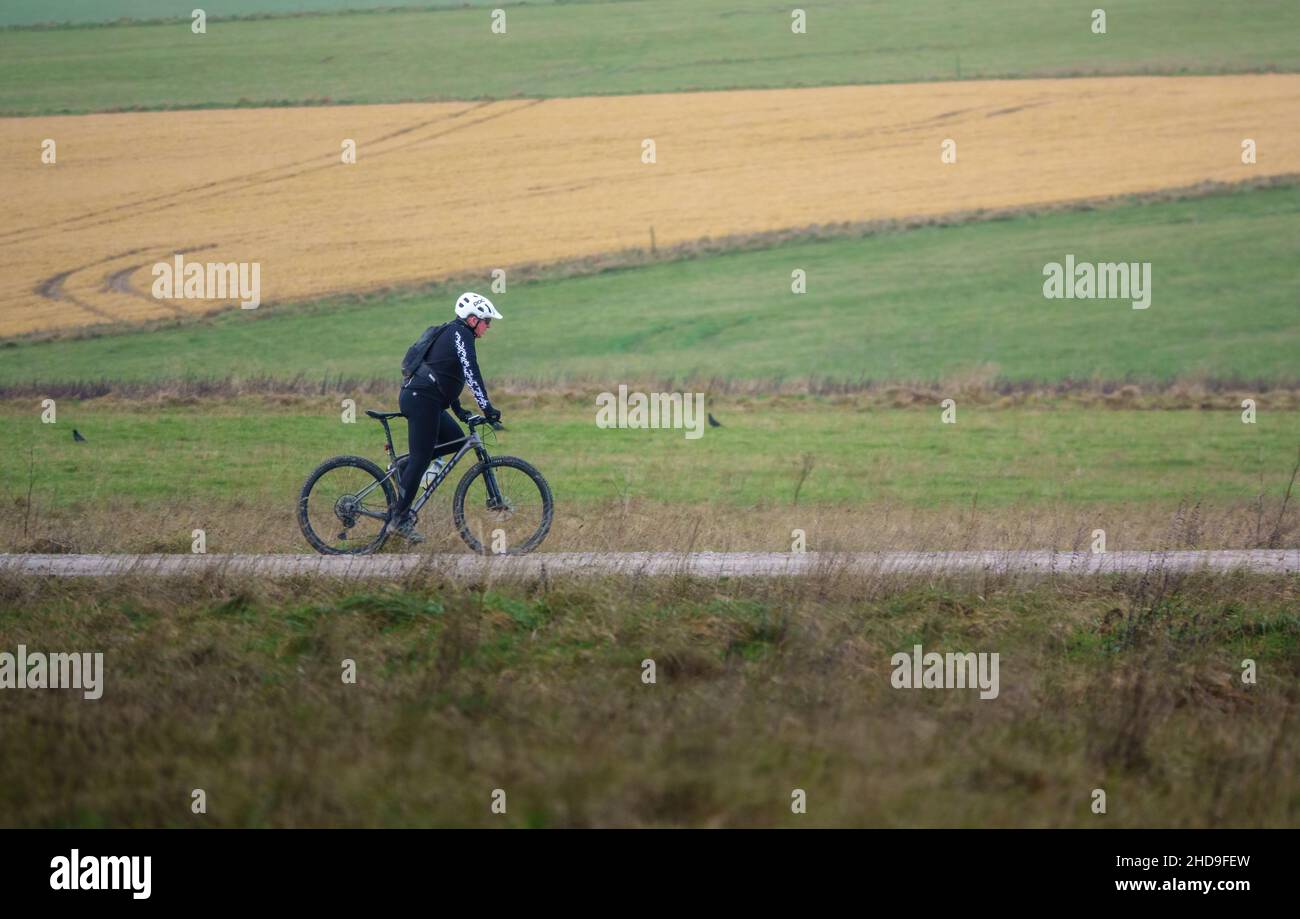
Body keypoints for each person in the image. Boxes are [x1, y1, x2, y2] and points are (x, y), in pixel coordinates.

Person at [387, 291, 503, 542]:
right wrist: (487, 408)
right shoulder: (460, 334)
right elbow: (470, 372)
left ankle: (401, 468)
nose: (489, 326)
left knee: (457, 441)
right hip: (421, 400)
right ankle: (398, 519)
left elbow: (445, 376)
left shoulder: (455, 333)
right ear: (472, 320)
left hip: (428, 399)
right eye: (487, 321)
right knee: (422, 458)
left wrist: (459, 409)